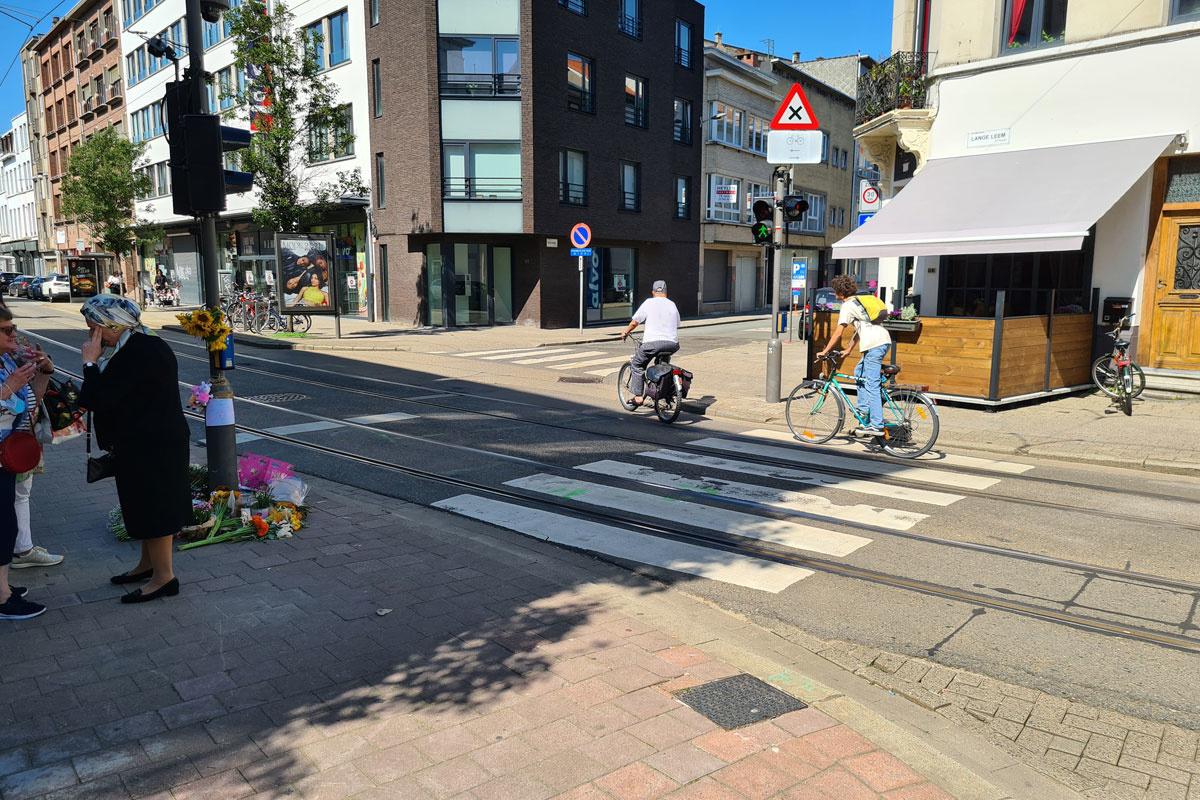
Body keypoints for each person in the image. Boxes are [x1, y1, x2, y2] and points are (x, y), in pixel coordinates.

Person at [78, 296, 190, 604]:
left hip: (151, 444)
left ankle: (164, 577)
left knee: (154, 507)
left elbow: (98, 399)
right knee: (143, 504)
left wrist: (89, 361)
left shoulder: (139, 352)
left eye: (95, 328)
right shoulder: (139, 344)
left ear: (112, 324)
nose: (91, 335)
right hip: (145, 441)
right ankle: (147, 565)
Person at [0, 309, 46, 619]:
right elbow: (9, 396)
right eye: (5, 329)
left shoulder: (5, 361)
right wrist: (10, 387)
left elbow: (32, 402)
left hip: (7, 453)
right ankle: (2, 599)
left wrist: (42, 371)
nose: (13, 333)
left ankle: (2, 586)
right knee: (3, 525)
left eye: (13, 327)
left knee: (6, 522)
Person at [816, 275, 892, 437]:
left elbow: (838, 332)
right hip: (882, 340)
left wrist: (825, 351)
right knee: (859, 372)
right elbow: (861, 328)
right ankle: (864, 413)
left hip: (874, 344)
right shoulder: (860, 300)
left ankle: (876, 425)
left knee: (872, 384)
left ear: (839, 293)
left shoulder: (848, 305)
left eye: (835, 291)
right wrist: (849, 349)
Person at [620, 280, 681, 408]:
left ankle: (638, 397)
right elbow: (677, 324)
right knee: (662, 366)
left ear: (653, 292)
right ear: (666, 292)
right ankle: (663, 396)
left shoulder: (649, 302)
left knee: (637, 364)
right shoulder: (672, 304)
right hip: (672, 344)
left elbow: (635, 322)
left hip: (652, 344)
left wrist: (626, 331)